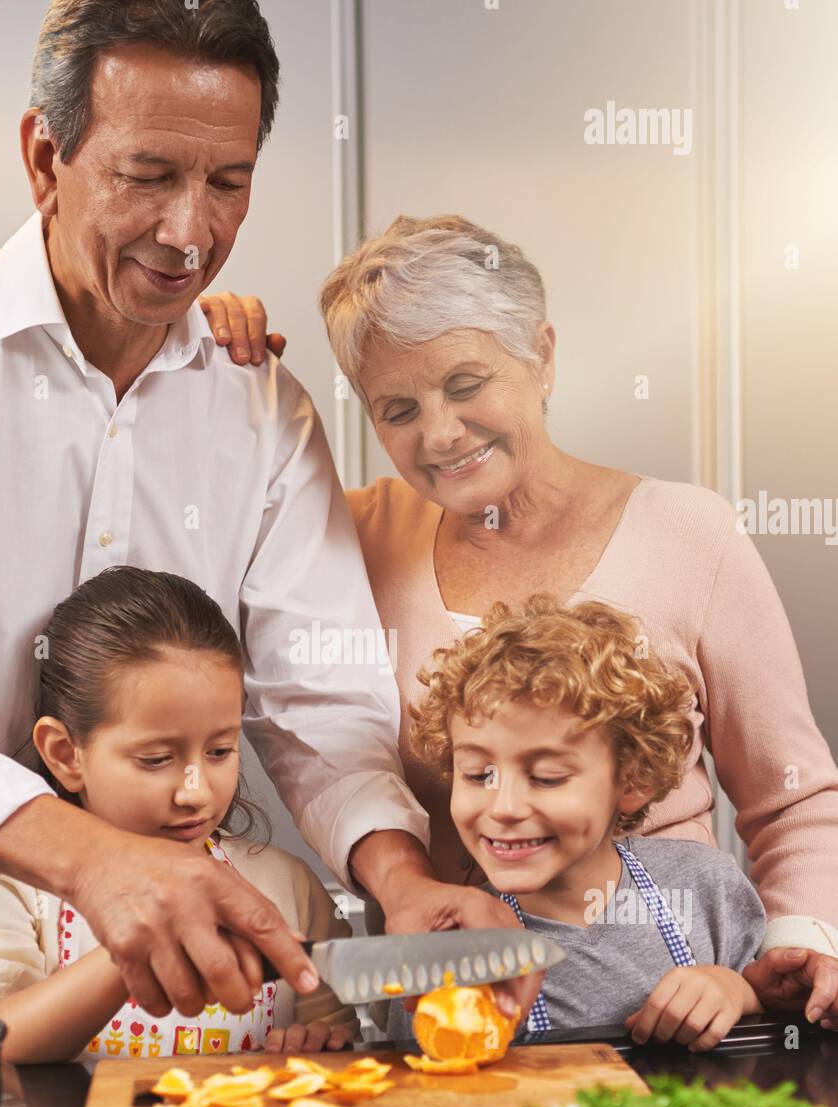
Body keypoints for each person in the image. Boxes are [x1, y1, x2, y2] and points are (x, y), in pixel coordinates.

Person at [0, 4, 527, 1042]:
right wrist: (94, 859)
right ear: (46, 156)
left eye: (227, 182)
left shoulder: (259, 403)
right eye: (149, 174)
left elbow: (323, 695)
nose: (189, 233)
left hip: (186, 910)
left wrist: (400, 879)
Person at [306, 212, 838, 1026]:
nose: (440, 435)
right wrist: (206, 351)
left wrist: (789, 955)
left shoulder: (690, 533)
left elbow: (791, 795)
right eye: (398, 409)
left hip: (684, 1010)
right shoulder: (353, 541)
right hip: (461, 1018)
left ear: (542, 357)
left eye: (465, 384)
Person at [0, 568, 359, 1063]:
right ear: (66, 754)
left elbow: (336, 1032)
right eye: (156, 759)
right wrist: (135, 944)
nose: (194, 794)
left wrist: (315, 1042)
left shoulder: (288, 886)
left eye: (219, 751)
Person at [401, 595, 767, 1051]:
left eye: (547, 777)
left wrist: (737, 991)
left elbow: (789, 1012)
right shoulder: (456, 943)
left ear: (631, 779)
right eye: (479, 775)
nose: (505, 807)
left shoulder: (706, 885)